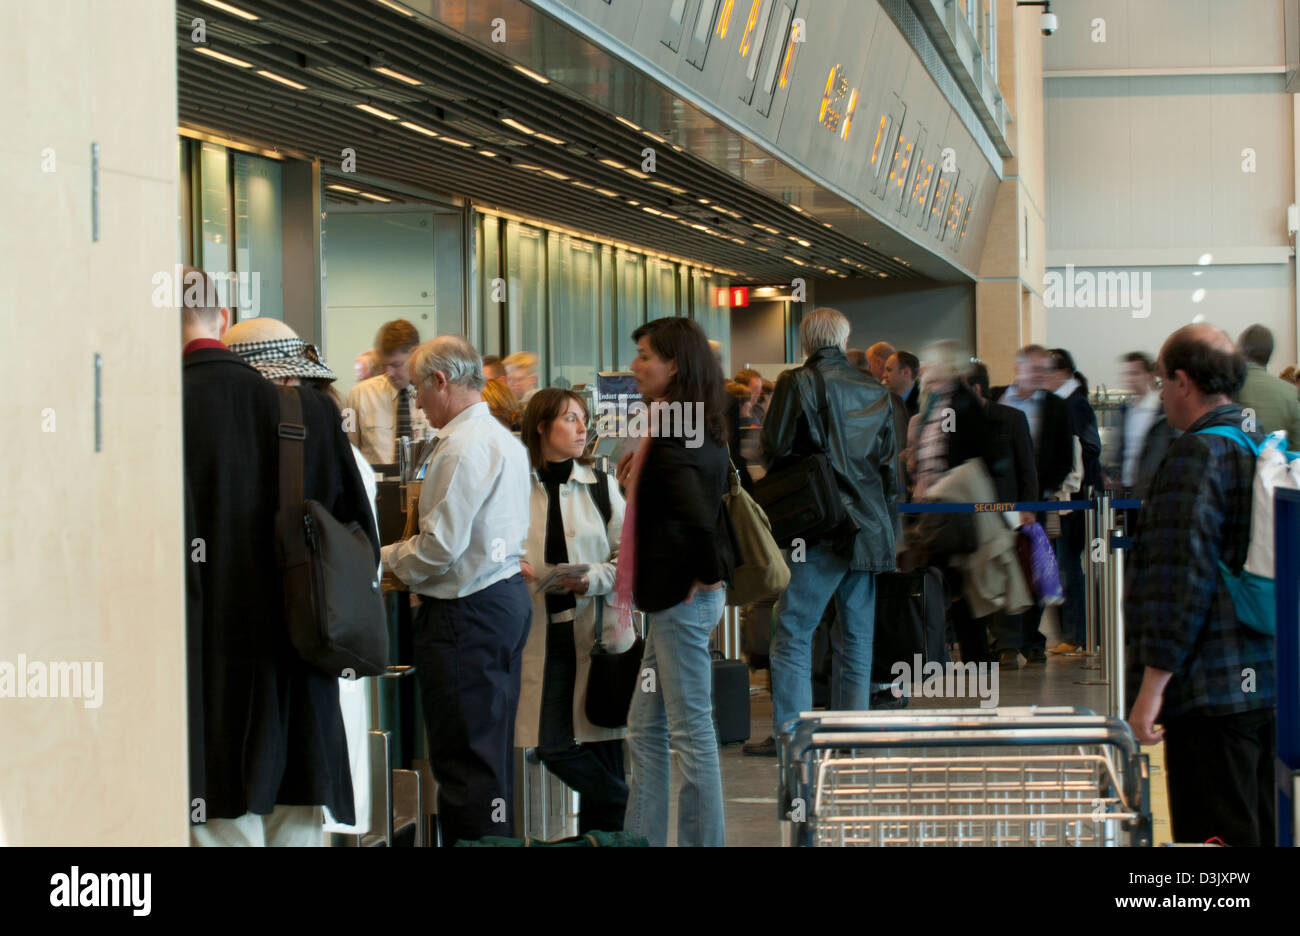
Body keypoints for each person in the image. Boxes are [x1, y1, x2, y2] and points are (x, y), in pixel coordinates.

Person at [181, 267, 378, 847]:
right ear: (222, 319)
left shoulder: (151, 410)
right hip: (297, 661)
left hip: (199, 674)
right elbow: (359, 540)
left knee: (217, 825)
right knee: (295, 821)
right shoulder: (310, 415)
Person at [1126, 323, 1274, 846]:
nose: (1162, 391)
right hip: (1261, 679)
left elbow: (1177, 582)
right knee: (1252, 827)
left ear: (1183, 382)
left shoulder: (1196, 455)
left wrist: (1149, 692)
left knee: (1213, 849)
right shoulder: (1257, 449)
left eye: (1164, 381)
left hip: (1208, 689)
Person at [380, 336, 532, 845]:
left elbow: (438, 549)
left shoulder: (461, 447)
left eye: (419, 390)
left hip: (465, 613)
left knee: (464, 758)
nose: (418, 403)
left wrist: (376, 562)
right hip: (501, 601)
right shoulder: (500, 437)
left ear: (441, 382)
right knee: (487, 752)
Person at [746, 307, 896, 755]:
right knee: (855, 637)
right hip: (868, 526)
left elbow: (775, 448)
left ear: (806, 340)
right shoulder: (875, 386)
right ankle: (853, 735)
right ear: (844, 337)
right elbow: (888, 463)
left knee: (794, 632)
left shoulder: (796, 381)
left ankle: (793, 735)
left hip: (819, 524)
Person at [614, 316, 736, 847]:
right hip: (672, 598)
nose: (635, 366)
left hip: (680, 598)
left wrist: (704, 576)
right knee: (645, 730)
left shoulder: (671, 430)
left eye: (645, 356)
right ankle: (640, 838)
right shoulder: (685, 421)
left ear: (675, 364)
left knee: (690, 733)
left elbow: (695, 518)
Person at [514, 389, 630, 834]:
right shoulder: (516, 485)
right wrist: (508, 560)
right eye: (570, 420)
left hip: (596, 634)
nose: (583, 429)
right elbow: (490, 543)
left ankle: (609, 838)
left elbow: (627, 561)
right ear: (541, 427)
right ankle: (628, 805)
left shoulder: (600, 485)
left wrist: (592, 578)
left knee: (604, 746)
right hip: (541, 635)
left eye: (584, 420)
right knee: (550, 743)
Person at [968, 362, 1042, 666]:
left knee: (1007, 576)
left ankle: (1009, 645)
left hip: (1006, 511)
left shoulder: (1011, 418)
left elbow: (1027, 466)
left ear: (975, 389)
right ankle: (983, 647)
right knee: (978, 579)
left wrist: (1029, 508)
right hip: (969, 513)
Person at [1044, 347, 1102, 654]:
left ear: (1064, 372)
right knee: (1062, 564)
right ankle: (1073, 633)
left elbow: (1090, 447)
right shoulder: (1062, 404)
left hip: (1074, 500)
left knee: (1067, 565)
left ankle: (1078, 634)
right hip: (1064, 500)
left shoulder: (1074, 404)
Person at [344, 319, 430, 465]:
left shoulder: (433, 395)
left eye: (396, 365)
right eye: (384, 365)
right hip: (376, 484)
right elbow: (347, 449)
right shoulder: (358, 395)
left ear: (415, 357)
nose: (389, 373)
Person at [1112, 351, 1177, 500]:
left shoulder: (1161, 410)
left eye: (1135, 373)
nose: (1131, 379)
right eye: (1127, 374)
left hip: (1154, 489)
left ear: (1148, 375)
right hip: (1129, 487)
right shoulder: (1126, 411)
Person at [1236, 324, 1300, 442]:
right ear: (1269, 354)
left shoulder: (1228, 388)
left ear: (1240, 351)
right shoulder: (1290, 393)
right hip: (1278, 458)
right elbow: (1297, 449)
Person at [883, 350, 921, 418]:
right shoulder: (883, 399)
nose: (884, 375)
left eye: (889, 370)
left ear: (906, 372)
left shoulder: (924, 403)